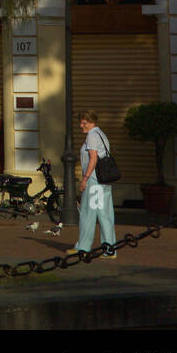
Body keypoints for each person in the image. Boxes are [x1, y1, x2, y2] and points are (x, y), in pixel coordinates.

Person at [75, 109, 117, 258]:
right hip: (103, 180)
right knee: (105, 213)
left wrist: (85, 179)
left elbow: (93, 158)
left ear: (90, 122)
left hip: (93, 179)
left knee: (88, 213)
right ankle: (110, 248)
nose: (81, 125)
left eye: (83, 122)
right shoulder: (101, 134)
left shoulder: (92, 135)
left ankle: (83, 247)